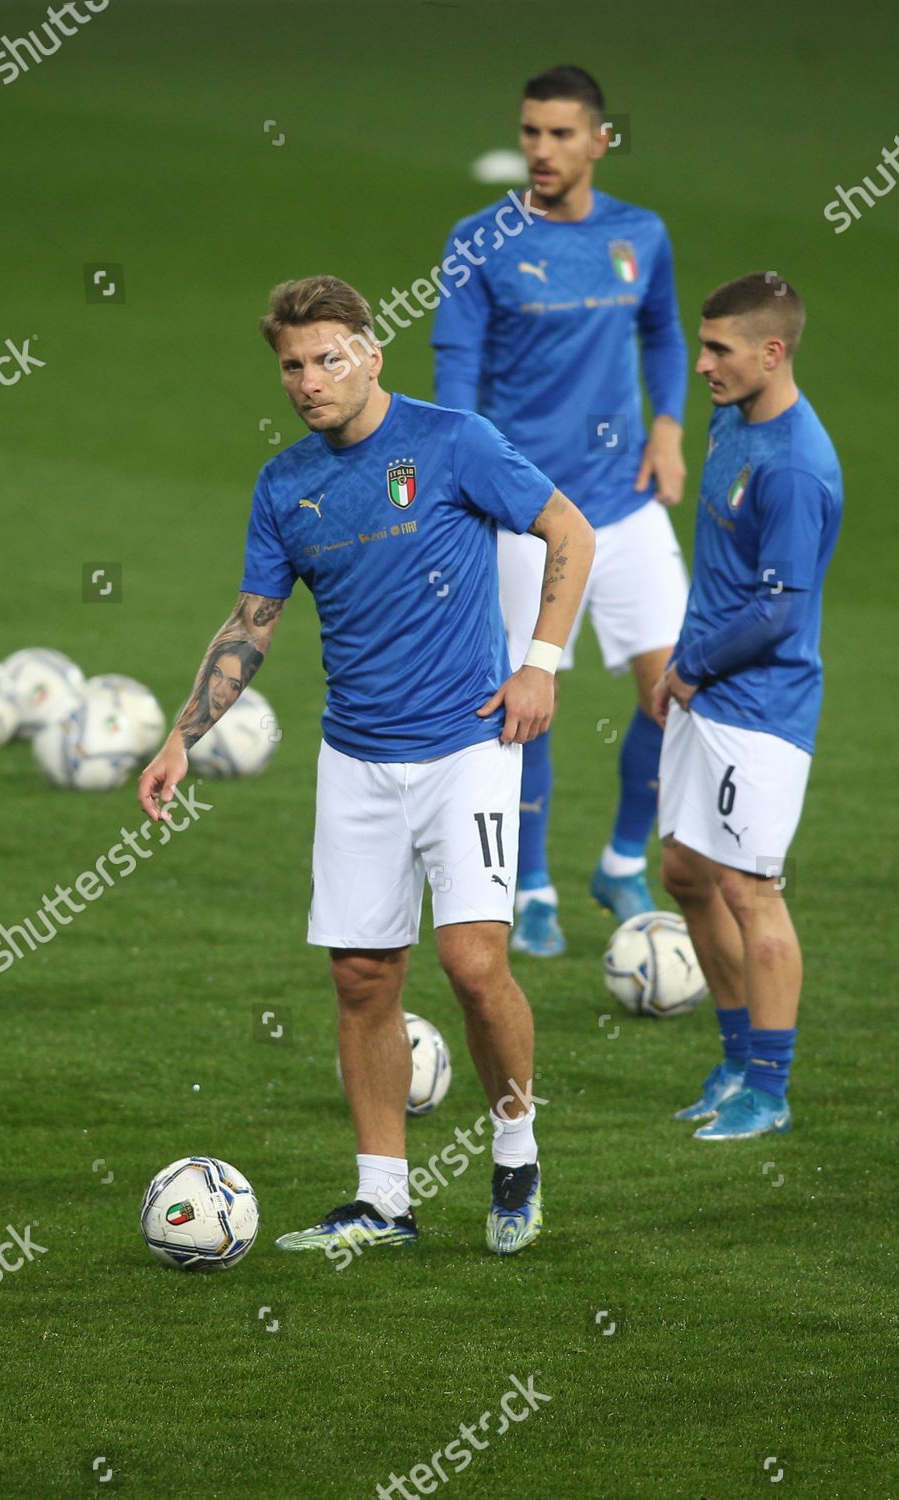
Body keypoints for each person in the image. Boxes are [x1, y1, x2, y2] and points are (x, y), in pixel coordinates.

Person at [139, 276, 595, 1254]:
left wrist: (540, 665)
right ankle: (383, 1199)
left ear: (371, 352)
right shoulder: (283, 485)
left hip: (466, 746)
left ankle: (514, 1146)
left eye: (327, 358)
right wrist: (185, 733)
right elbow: (251, 624)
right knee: (359, 977)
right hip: (354, 759)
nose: (308, 380)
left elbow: (568, 529)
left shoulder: (452, 442)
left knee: (472, 964)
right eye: (293, 365)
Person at [432, 63, 688, 955]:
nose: (540, 150)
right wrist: (460, 478)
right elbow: (455, 374)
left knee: (677, 697)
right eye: (530, 132)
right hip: (527, 517)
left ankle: (622, 862)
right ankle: (529, 884)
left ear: (598, 140)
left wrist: (668, 426)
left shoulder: (639, 235)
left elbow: (662, 329)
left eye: (560, 134)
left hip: (625, 506)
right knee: (523, 704)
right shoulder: (480, 240)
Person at [652, 272, 842, 1140]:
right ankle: (734, 1060)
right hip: (705, 688)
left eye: (720, 350)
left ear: (773, 351)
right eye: (700, 344)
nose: (702, 365)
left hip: (760, 706)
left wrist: (687, 665)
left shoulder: (798, 467)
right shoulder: (733, 420)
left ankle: (770, 1089)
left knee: (748, 887)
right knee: (686, 874)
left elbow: (780, 610)